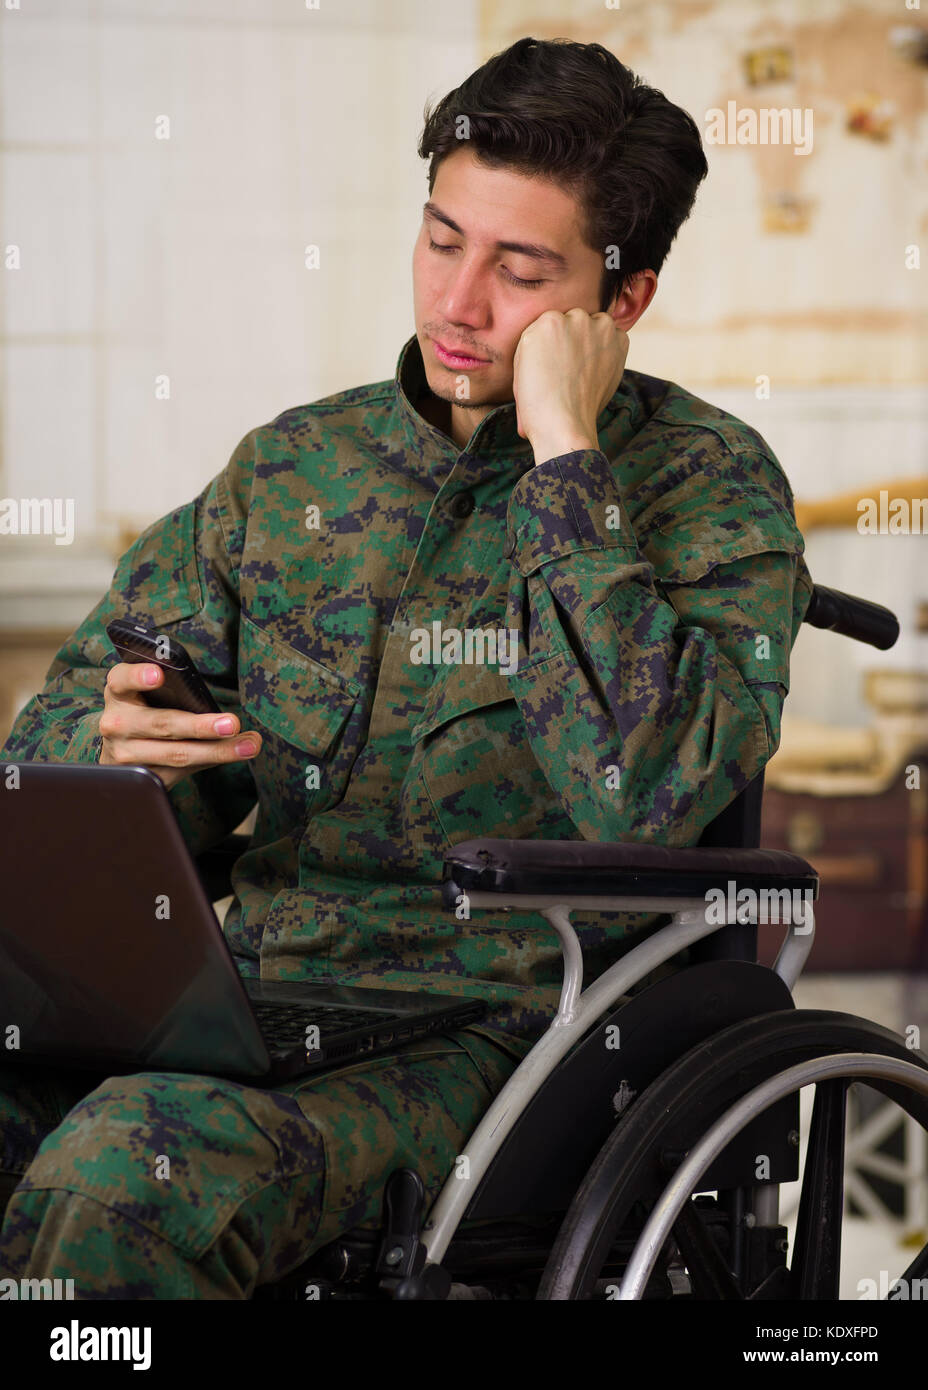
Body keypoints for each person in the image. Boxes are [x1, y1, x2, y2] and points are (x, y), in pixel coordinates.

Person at [0, 37, 811, 1298]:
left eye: (518, 268)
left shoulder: (708, 487)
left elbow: (646, 787)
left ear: (624, 299)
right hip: (245, 1007)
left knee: (126, 1172)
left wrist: (562, 457)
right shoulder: (289, 474)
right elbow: (53, 767)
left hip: (512, 1038)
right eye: (442, 240)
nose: (456, 301)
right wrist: (115, 760)